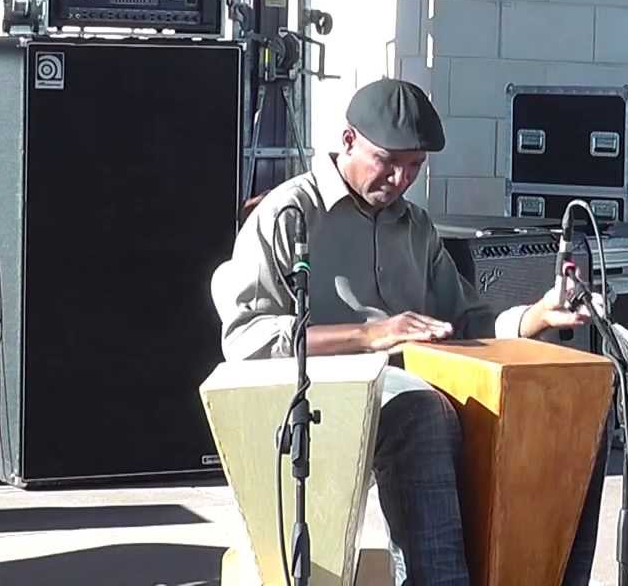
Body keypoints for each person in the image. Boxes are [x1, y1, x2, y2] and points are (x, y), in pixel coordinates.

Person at [211, 78, 607, 586]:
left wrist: (539, 314)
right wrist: (370, 337)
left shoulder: (415, 226)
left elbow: (467, 321)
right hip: (316, 392)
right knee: (419, 412)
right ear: (348, 141)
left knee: (571, 404)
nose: (400, 178)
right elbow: (248, 340)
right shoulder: (288, 214)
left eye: (415, 165)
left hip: (413, 382)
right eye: (388, 161)